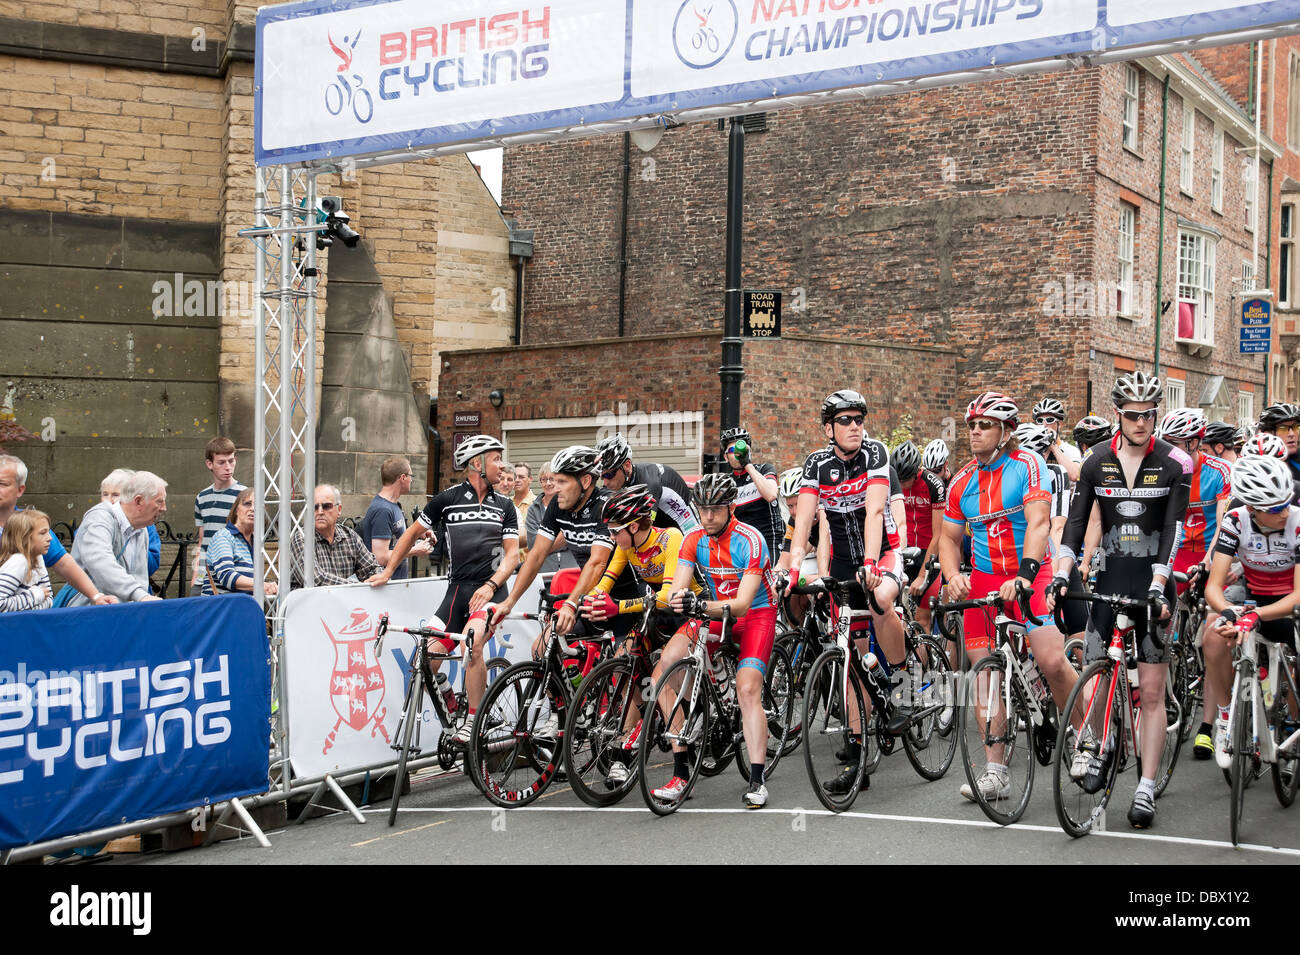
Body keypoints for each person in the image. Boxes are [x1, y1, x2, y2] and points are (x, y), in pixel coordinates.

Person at [1051, 371, 1190, 830]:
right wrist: (1062, 571)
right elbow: (1075, 522)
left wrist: (1160, 581)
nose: (1141, 423)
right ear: (1119, 416)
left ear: (1156, 416)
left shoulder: (1174, 463)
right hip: (1109, 576)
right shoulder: (1095, 461)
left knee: (1150, 693)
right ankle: (1101, 741)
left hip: (1152, 581)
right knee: (1093, 675)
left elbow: (1173, 529)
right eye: (1132, 416)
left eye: (1148, 415)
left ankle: (1146, 786)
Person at [943, 394, 1075, 804]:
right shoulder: (962, 481)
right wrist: (952, 577)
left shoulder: (1028, 467)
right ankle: (996, 771)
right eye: (971, 425)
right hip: (984, 579)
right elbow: (948, 538)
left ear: (1006, 431)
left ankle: (1087, 734)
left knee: (1052, 661)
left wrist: (1026, 575)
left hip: (1032, 571)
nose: (975, 432)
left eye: (985, 424)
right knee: (985, 674)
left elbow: (1038, 525)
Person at [786, 390, 912, 757]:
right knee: (852, 659)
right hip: (843, 562)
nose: (855, 426)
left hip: (883, 553)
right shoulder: (816, 465)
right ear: (829, 428)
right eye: (846, 420)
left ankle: (905, 685)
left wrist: (872, 563)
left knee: (880, 599)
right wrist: (794, 568)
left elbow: (875, 512)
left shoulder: (876, 454)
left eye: (859, 419)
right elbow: (804, 519)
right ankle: (857, 746)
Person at [371, 434, 518, 741]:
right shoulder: (447, 499)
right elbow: (411, 533)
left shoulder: (505, 505)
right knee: (423, 663)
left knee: (472, 642)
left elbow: (513, 555)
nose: (501, 465)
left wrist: (492, 585)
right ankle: (453, 710)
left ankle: (476, 720)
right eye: (495, 458)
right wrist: (387, 571)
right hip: (457, 593)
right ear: (477, 464)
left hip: (490, 593)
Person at [654, 474, 778, 809]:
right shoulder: (694, 538)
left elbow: (740, 604)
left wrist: (698, 605)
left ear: (731, 507)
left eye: (715, 510)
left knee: (748, 688)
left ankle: (757, 779)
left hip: (755, 614)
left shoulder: (751, 539)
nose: (708, 516)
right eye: (703, 509)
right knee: (664, 668)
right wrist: (677, 599)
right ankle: (682, 770)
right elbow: (678, 587)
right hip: (714, 614)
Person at [582, 485, 703, 786]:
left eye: (615, 531)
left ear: (634, 526)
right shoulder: (626, 547)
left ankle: (683, 751)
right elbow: (605, 581)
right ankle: (625, 748)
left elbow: (667, 595)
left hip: (687, 609)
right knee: (625, 661)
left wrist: (617, 607)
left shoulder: (670, 538)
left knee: (662, 672)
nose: (612, 538)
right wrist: (589, 600)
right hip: (657, 612)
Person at [1203, 454, 1300, 771]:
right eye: (1275, 508)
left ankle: (1295, 732)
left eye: (1286, 502)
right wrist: (1229, 612)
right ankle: (1225, 714)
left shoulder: (1297, 521)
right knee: (1213, 636)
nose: (1284, 511)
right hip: (1252, 597)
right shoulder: (1235, 520)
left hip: (1289, 603)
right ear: (1253, 510)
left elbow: (1298, 595)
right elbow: (1214, 588)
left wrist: (1257, 615)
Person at [0, 454, 116, 605]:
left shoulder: (30, 524)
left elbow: (63, 563)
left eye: (2, 483)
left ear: (20, 490)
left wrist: (96, 596)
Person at [66, 470, 168, 606]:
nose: (164, 508)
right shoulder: (99, 519)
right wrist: (140, 596)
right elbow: (102, 563)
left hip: (123, 614)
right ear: (138, 501)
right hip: (91, 613)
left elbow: (140, 578)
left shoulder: (141, 529)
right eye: (159, 502)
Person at [596, 433, 699, 534]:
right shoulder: (625, 479)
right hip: (663, 525)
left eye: (609, 475)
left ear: (627, 465)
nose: (605, 482)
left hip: (685, 527)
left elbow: (644, 529)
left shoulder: (649, 482)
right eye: (602, 476)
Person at [895, 440, 945, 633]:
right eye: (898, 480)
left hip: (928, 554)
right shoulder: (892, 483)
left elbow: (939, 534)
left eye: (905, 480)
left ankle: (925, 662)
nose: (901, 484)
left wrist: (923, 574)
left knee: (921, 621)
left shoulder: (934, 484)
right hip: (904, 552)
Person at [290, 485, 384, 588]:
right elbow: (315, 580)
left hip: (345, 602)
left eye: (326, 506)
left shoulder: (350, 536)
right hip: (312, 603)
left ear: (339, 510)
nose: (320, 512)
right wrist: (358, 587)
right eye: (315, 507)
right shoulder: (301, 538)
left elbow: (372, 568)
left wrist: (378, 577)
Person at [361, 456, 431, 581]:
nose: (411, 480)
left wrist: (418, 533)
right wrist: (414, 550)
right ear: (403, 477)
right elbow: (380, 557)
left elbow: (396, 537)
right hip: (385, 588)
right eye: (411, 476)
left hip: (395, 584)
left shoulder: (393, 505)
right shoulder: (383, 510)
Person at [776, 466, 830, 626]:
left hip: (833, 562)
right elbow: (786, 557)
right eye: (789, 506)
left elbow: (824, 568)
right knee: (789, 592)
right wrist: (775, 578)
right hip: (809, 567)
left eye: (797, 504)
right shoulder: (794, 521)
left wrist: (805, 579)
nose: (793, 512)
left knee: (803, 580)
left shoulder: (824, 511)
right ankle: (799, 637)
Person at [719, 427, 782, 560]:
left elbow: (771, 494)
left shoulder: (764, 469)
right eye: (732, 450)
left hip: (769, 541)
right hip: (741, 545)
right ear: (726, 457)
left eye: (742, 449)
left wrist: (747, 464)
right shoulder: (725, 482)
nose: (738, 454)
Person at [192, 437, 244, 596]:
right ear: (210, 464)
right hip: (204, 577)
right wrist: (195, 578)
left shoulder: (244, 497)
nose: (228, 467)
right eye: (221, 462)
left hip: (232, 576)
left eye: (231, 460)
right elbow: (202, 541)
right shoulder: (202, 497)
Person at [204, 487, 277, 597]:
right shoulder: (224, 536)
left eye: (258, 506)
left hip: (242, 608)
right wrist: (262, 585)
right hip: (221, 609)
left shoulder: (256, 543)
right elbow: (227, 576)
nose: (253, 509)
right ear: (236, 510)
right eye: (247, 504)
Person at [102, 468, 161, 578]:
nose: (109, 500)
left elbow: (152, 565)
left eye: (115, 495)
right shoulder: (94, 522)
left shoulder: (146, 526)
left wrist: (132, 540)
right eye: (105, 494)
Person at [526, 465, 577, 575]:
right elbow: (532, 545)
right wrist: (559, 542)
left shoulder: (570, 506)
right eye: (544, 479)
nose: (548, 483)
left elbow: (571, 537)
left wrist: (542, 548)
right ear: (540, 482)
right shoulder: (533, 509)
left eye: (552, 479)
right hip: (544, 570)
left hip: (571, 569)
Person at [0, 509, 52, 612]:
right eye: (42, 533)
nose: (50, 538)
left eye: (48, 532)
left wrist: (30, 611)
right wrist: (34, 596)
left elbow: (49, 599)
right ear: (24, 538)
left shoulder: (38, 558)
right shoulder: (18, 562)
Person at [1032, 397, 1082, 481]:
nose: (1044, 424)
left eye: (1049, 420)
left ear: (1060, 424)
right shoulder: (1032, 450)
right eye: (1040, 420)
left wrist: (1053, 446)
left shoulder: (1070, 450)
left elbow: (1075, 476)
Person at [512, 463, 536, 561]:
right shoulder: (506, 503)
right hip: (508, 564)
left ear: (530, 479)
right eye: (514, 477)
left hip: (530, 565)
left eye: (521, 477)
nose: (517, 480)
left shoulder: (536, 504)